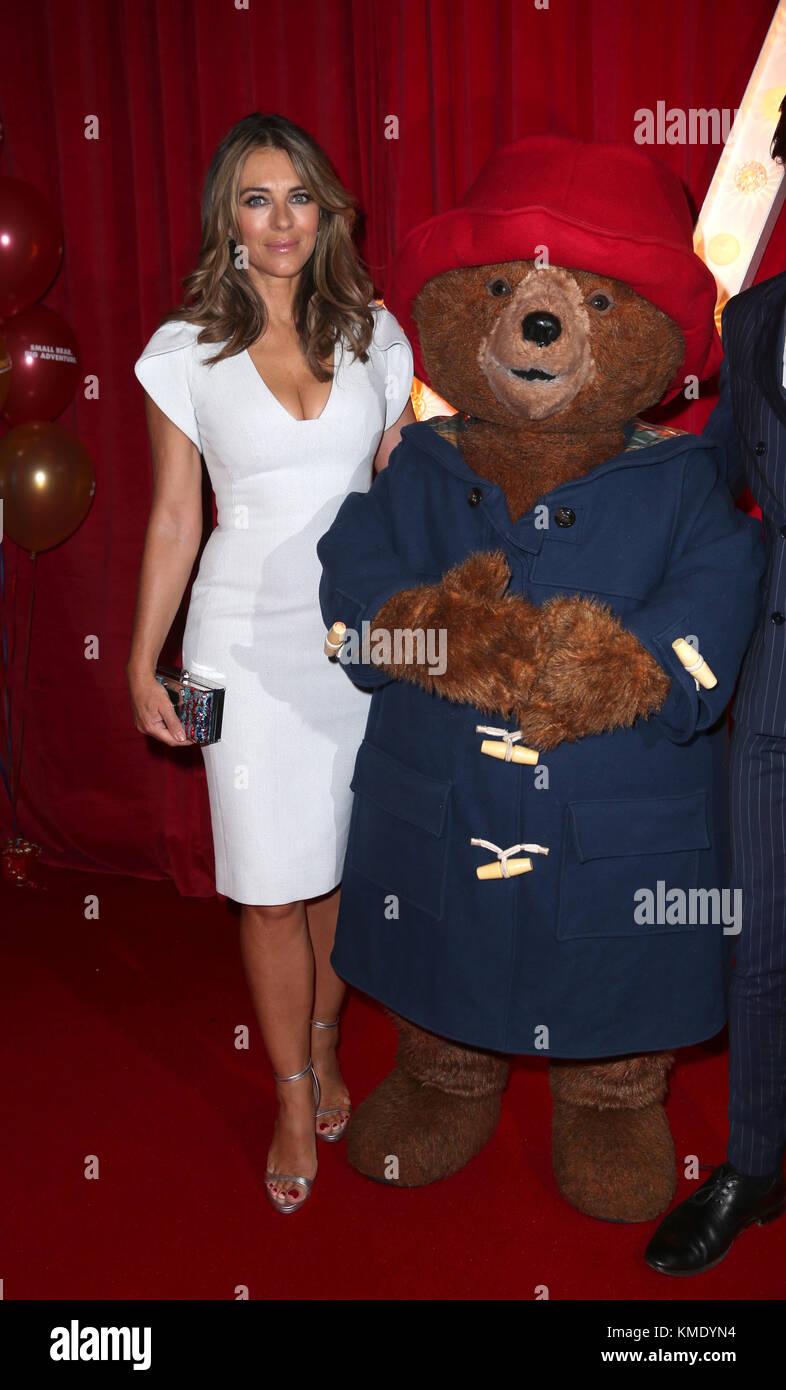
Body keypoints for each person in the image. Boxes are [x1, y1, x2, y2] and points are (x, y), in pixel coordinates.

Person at [126, 112, 415, 1215]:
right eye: (257, 198)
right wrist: (140, 664)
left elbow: (400, 501)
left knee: (339, 869)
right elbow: (170, 521)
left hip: (350, 646)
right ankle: (292, 1093)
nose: (282, 219)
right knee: (265, 886)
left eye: (299, 196)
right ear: (228, 220)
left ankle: (328, 1041)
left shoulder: (378, 337)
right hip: (236, 647)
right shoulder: (181, 351)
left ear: (328, 209)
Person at [645, 100, 786, 1275]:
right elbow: (710, 473)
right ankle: (754, 1157)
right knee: (759, 939)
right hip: (774, 682)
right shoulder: (752, 324)